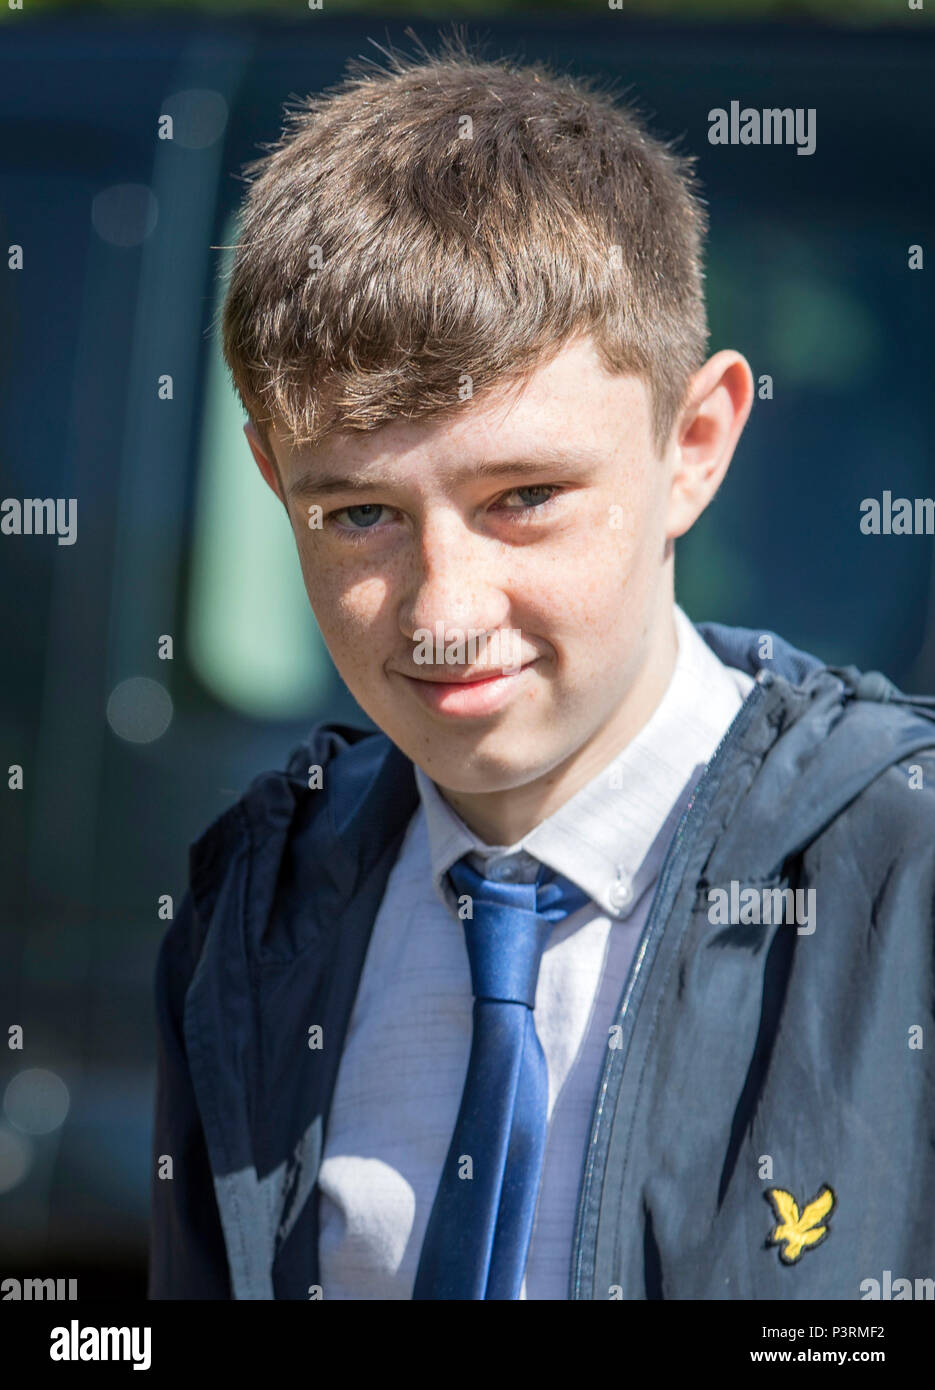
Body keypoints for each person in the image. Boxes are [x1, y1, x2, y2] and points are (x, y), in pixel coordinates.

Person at [148, 40, 935, 1300]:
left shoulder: (900, 888)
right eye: (358, 515)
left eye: (522, 497)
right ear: (272, 487)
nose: (445, 612)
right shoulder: (253, 912)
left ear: (694, 443)